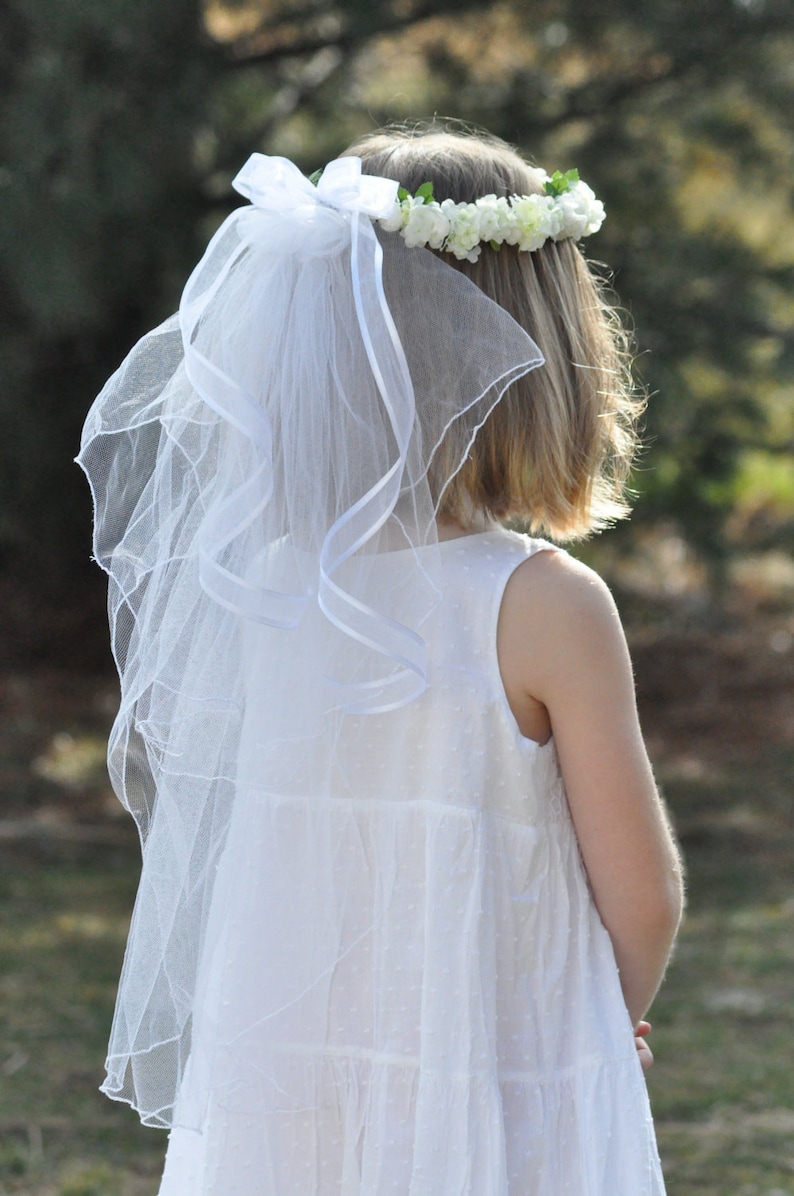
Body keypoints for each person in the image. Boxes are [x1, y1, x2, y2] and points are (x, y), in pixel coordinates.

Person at [78, 121, 684, 1194]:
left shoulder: (265, 583)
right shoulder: (541, 604)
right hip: (492, 1080)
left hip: (288, 1080)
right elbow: (638, 896)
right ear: (546, 356)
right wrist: (588, 1025)